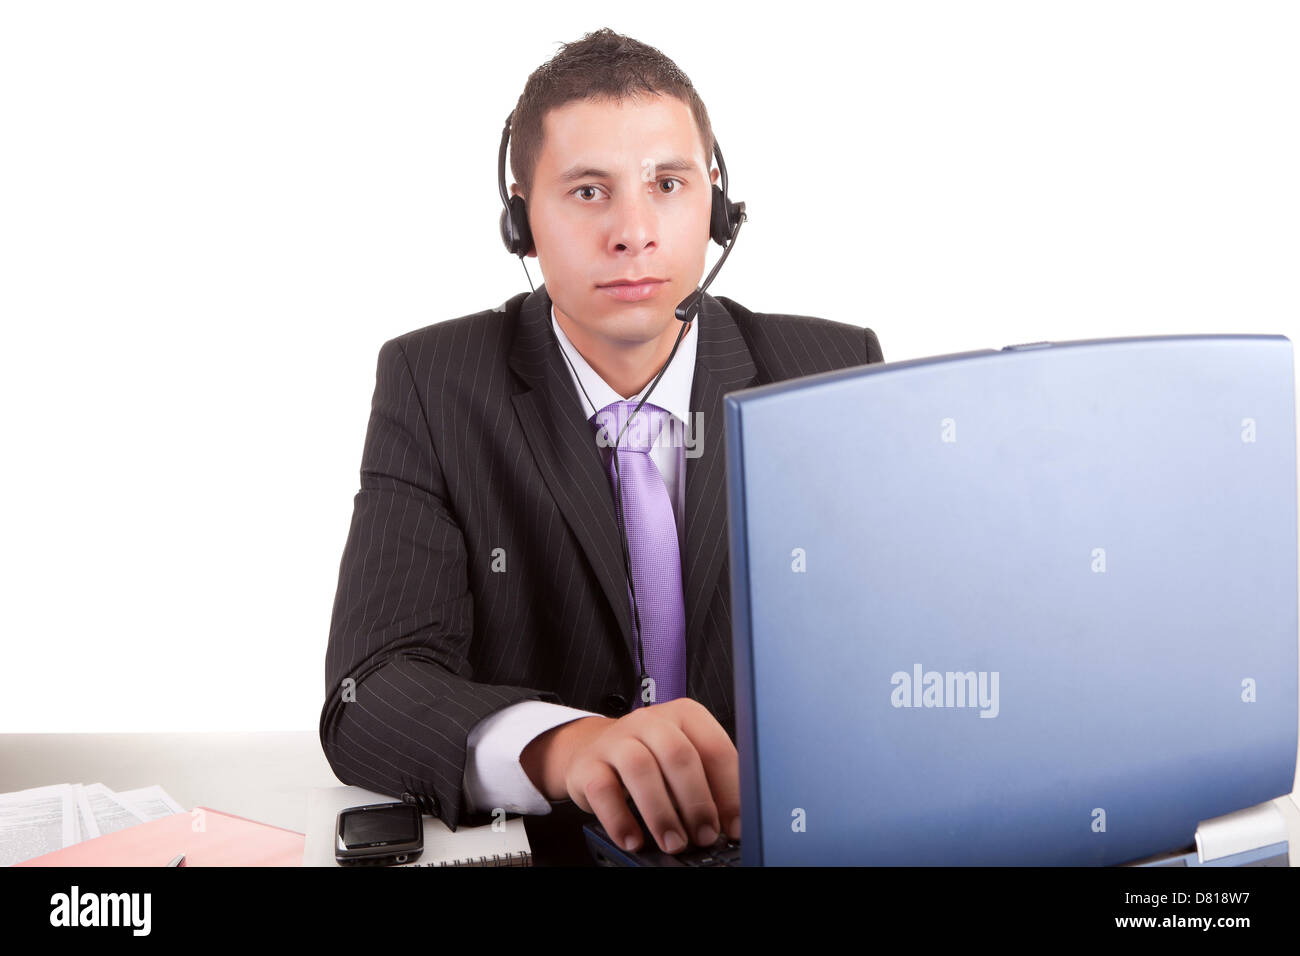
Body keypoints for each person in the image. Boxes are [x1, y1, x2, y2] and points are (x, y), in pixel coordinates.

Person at [319, 27, 884, 861]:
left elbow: (905, 655)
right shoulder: (432, 384)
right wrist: (563, 747)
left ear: (717, 202)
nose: (633, 231)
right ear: (520, 219)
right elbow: (369, 696)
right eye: (588, 192)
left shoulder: (833, 372)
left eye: (668, 183)